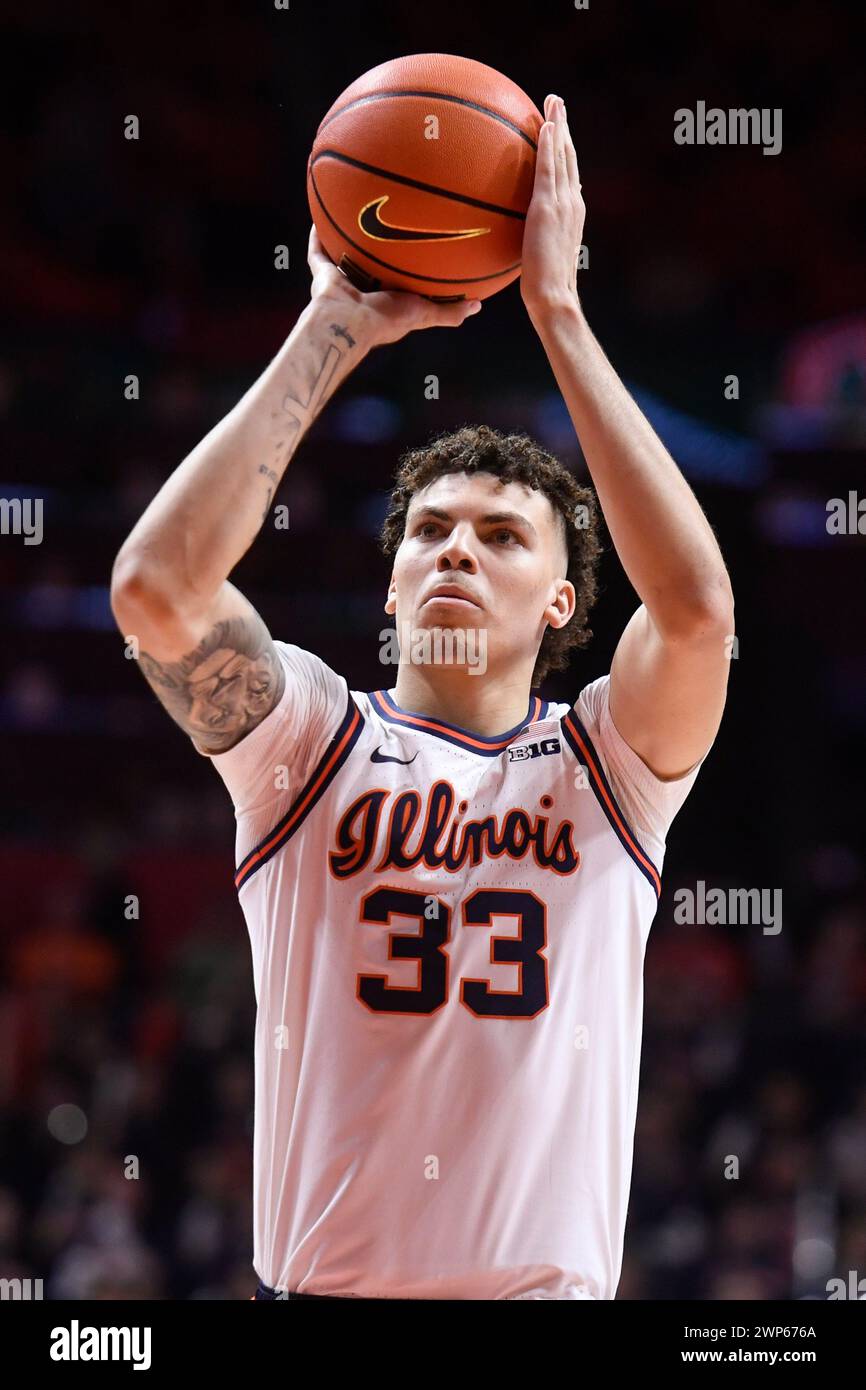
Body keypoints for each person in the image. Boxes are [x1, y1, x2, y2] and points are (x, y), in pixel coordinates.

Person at [110, 95, 734, 1299]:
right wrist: (333, 325)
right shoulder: (306, 742)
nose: (455, 549)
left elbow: (698, 610)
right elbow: (155, 587)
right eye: (430, 531)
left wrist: (556, 312)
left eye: (503, 536)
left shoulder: (609, 770)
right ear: (389, 588)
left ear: (563, 602)